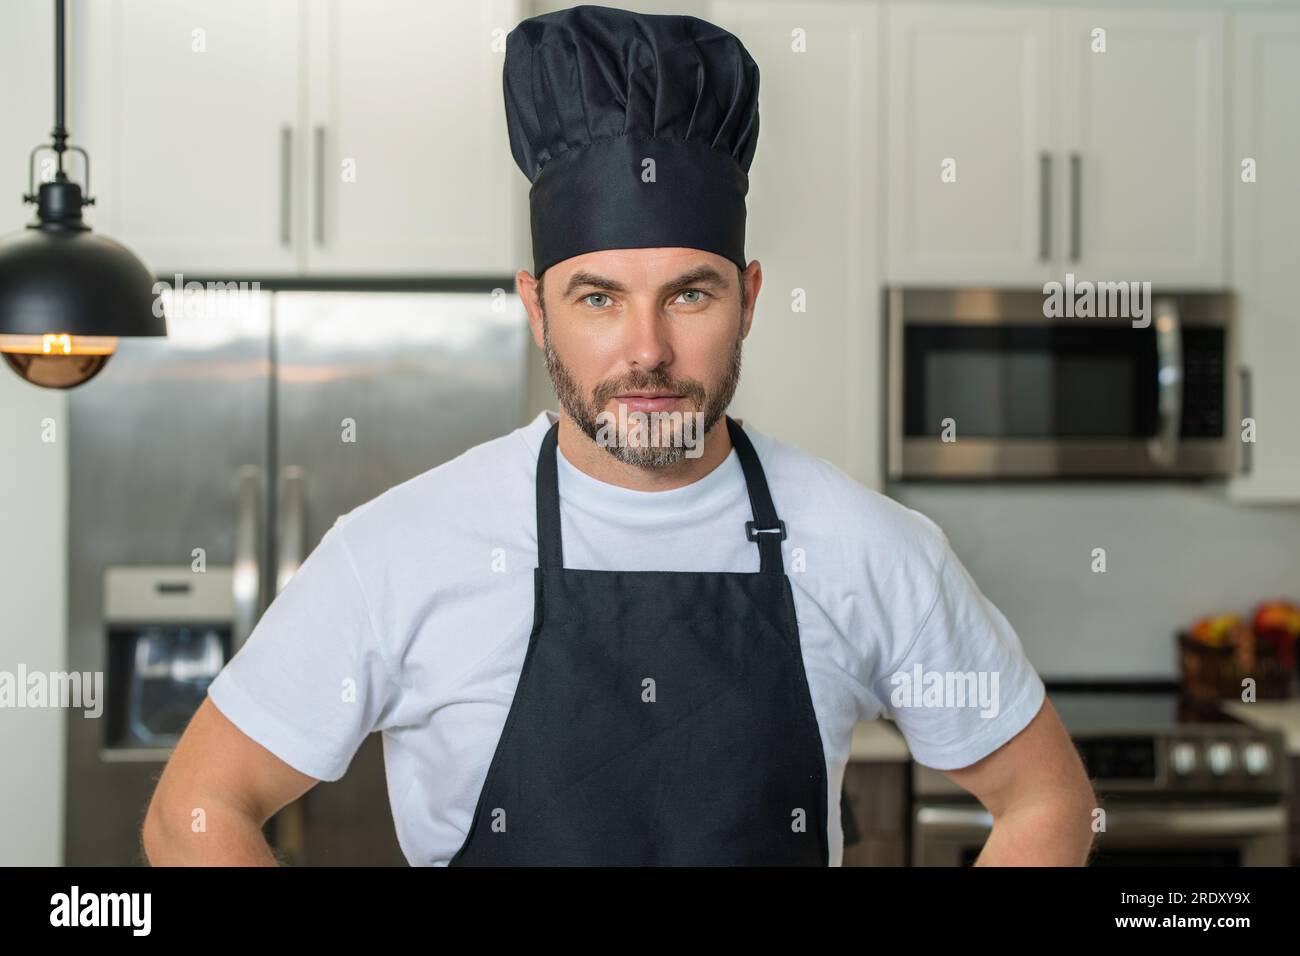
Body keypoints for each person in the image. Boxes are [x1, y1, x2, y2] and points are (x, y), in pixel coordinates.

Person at [143, 4, 1095, 867]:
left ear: (749, 299)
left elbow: (1046, 802)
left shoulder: (870, 547)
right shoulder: (397, 549)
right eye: (598, 298)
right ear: (536, 308)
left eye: (690, 293)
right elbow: (195, 809)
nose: (648, 351)